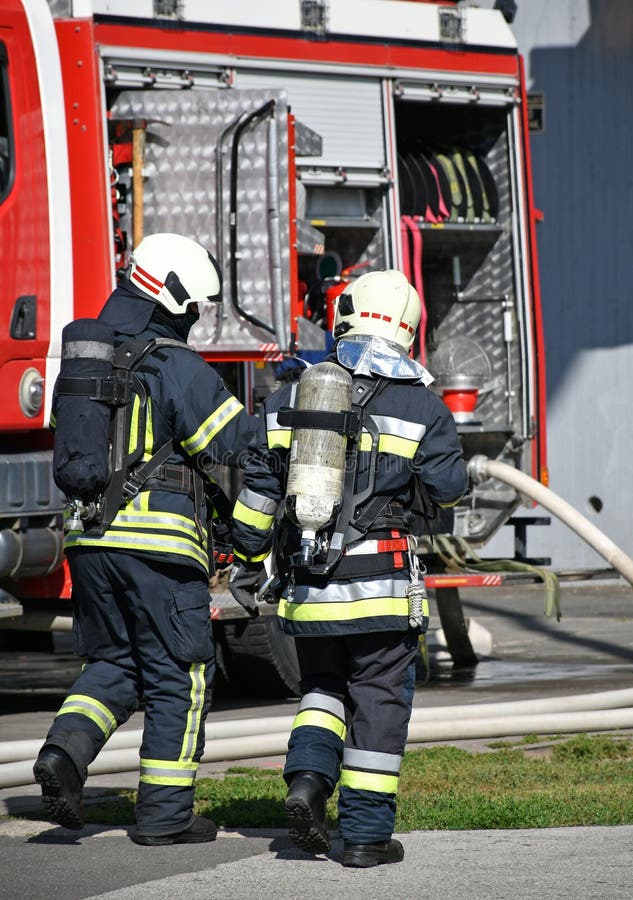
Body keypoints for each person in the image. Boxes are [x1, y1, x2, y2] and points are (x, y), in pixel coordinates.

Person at [230, 269, 468, 868]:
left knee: (322, 690)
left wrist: (248, 558)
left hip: (310, 587)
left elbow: (259, 490)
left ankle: (309, 783)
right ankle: (364, 836)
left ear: (345, 318)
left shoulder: (291, 397)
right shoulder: (422, 406)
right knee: (379, 700)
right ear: (408, 330)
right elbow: (449, 489)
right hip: (382, 590)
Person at [33, 233, 255, 845]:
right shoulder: (176, 365)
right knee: (179, 674)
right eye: (194, 308)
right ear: (174, 298)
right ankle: (165, 816)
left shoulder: (86, 362)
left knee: (113, 663)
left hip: (89, 541)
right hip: (160, 547)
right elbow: (237, 445)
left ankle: (63, 755)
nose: (196, 319)